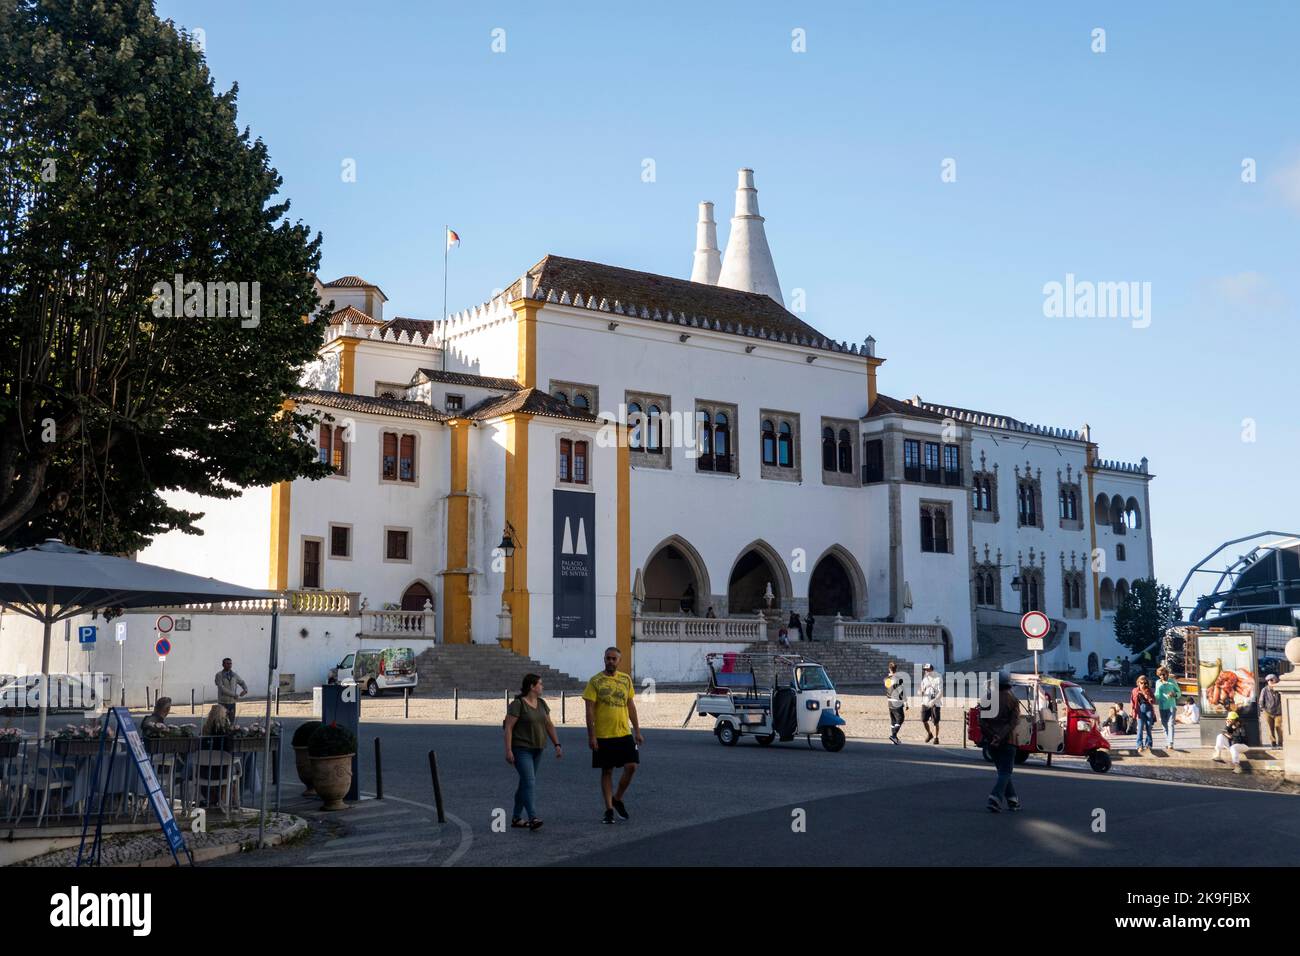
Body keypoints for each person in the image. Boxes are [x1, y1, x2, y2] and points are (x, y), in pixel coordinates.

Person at [583, 646, 642, 825]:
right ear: (604, 659)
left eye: (614, 659)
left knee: (632, 766)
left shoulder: (626, 680)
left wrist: (637, 730)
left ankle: (617, 798)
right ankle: (609, 809)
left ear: (619, 661)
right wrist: (591, 736)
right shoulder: (595, 681)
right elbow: (589, 710)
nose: (610, 661)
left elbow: (630, 706)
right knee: (607, 770)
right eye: (608, 658)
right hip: (603, 734)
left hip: (623, 732)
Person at [504, 674, 562, 831]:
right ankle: (533, 817)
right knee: (529, 782)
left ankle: (516, 817)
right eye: (540, 684)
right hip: (521, 749)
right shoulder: (518, 704)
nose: (542, 687)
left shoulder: (542, 703)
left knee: (525, 783)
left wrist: (557, 744)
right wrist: (508, 750)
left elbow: (549, 724)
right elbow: (508, 727)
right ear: (532, 686)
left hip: (538, 749)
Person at [980, 672, 1022, 812]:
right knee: (1006, 772)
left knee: (1003, 772)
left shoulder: (987, 698)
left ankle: (1013, 800)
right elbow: (1013, 722)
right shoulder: (1013, 700)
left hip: (991, 742)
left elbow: (982, 722)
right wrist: (1000, 736)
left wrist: (993, 736)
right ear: (1009, 685)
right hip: (1008, 741)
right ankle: (995, 797)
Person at [1154, 666, 1181, 750]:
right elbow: (1157, 695)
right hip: (1162, 706)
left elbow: (1179, 692)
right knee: (1164, 725)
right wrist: (1155, 694)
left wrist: (1174, 694)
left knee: (1170, 724)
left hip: (1171, 706)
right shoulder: (1158, 682)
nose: (1162, 676)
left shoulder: (1172, 681)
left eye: (1164, 674)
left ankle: (1170, 743)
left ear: (1167, 674)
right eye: (1160, 675)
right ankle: (1168, 741)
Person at [1130, 674, 1157, 753]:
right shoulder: (1135, 690)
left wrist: (1148, 696)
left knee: (1149, 728)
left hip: (1148, 709)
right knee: (1140, 728)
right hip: (1139, 709)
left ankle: (1148, 744)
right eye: (1141, 683)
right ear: (1138, 683)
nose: (1143, 684)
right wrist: (1132, 711)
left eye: (1145, 683)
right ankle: (1139, 745)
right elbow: (1132, 701)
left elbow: (1153, 701)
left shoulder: (1148, 690)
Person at [918, 663, 942, 744]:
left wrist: (934, 701)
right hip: (925, 702)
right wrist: (920, 692)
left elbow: (941, 692)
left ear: (932, 670)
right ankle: (929, 734)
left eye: (927, 670)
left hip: (935, 703)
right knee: (923, 719)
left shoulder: (938, 678)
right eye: (925, 670)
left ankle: (936, 737)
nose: (926, 671)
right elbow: (920, 690)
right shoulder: (924, 679)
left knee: (935, 721)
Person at [885, 660, 906, 744]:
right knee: (900, 719)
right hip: (897, 701)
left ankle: (895, 739)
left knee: (893, 720)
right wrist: (905, 701)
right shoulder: (899, 679)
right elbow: (901, 691)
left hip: (889, 701)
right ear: (896, 669)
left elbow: (888, 686)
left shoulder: (886, 679)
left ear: (889, 669)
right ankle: (893, 735)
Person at [1259, 674, 1283, 748]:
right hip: (1268, 712)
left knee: (1278, 727)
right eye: (1268, 680)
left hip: (1279, 712)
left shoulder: (1280, 689)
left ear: (1276, 680)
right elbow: (1261, 700)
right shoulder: (1265, 690)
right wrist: (1263, 708)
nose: (1270, 682)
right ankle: (1273, 743)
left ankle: (1280, 743)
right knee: (1270, 728)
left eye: (1271, 680)